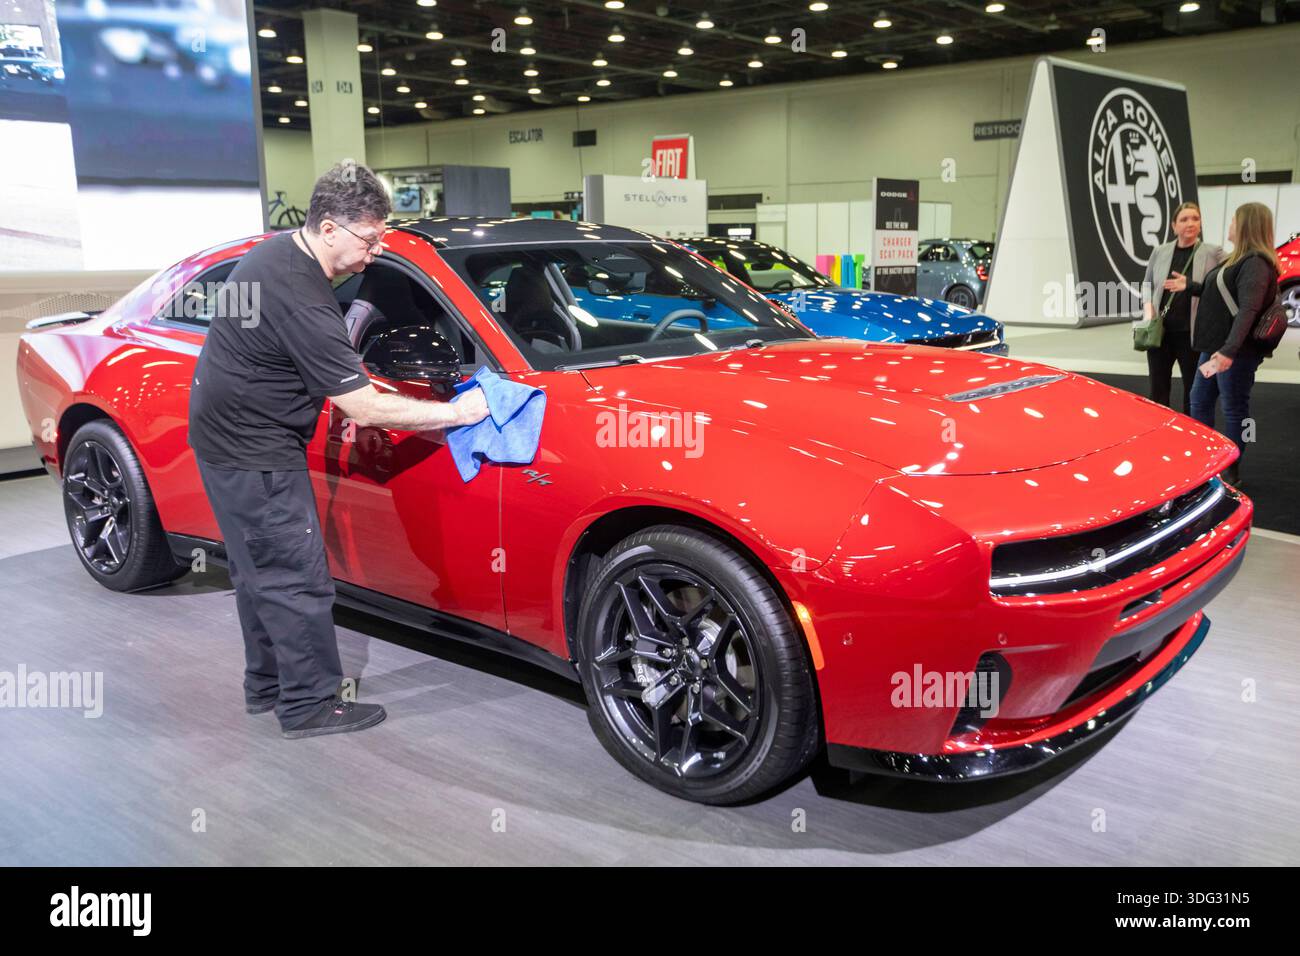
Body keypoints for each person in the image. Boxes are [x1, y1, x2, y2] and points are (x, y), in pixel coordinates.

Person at [187, 162, 490, 738]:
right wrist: (458, 413)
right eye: (370, 239)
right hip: (256, 451)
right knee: (296, 578)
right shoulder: (303, 296)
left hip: (223, 441)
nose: (377, 251)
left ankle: (267, 687)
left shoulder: (276, 254)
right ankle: (308, 707)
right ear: (330, 229)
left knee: (258, 573)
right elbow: (366, 407)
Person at [1164, 201, 1280, 488]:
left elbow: (1248, 310)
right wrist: (1189, 286)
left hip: (1234, 353)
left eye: (1234, 220)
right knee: (1199, 400)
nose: (1229, 225)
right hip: (1214, 350)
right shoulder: (1236, 259)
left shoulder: (1255, 263)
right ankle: (1205, 460)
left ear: (1246, 226)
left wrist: (1229, 350)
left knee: (1233, 408)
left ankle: (1231, 467)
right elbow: (1216, 291)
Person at [1139, 202, 1224, 411]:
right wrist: (1148, 308)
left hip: (1194, 335)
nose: (1190, 223)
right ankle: (1159, 433)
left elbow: (1225, 284)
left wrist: (1191, 286)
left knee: (1193, 391)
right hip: (1160, 333)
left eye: (1195, 219)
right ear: (1173, 226)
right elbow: (1147, 283)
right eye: (1184, 219)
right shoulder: (1160, 252)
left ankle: (1190, 434)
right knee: (1157, 390)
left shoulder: (1214, 252)